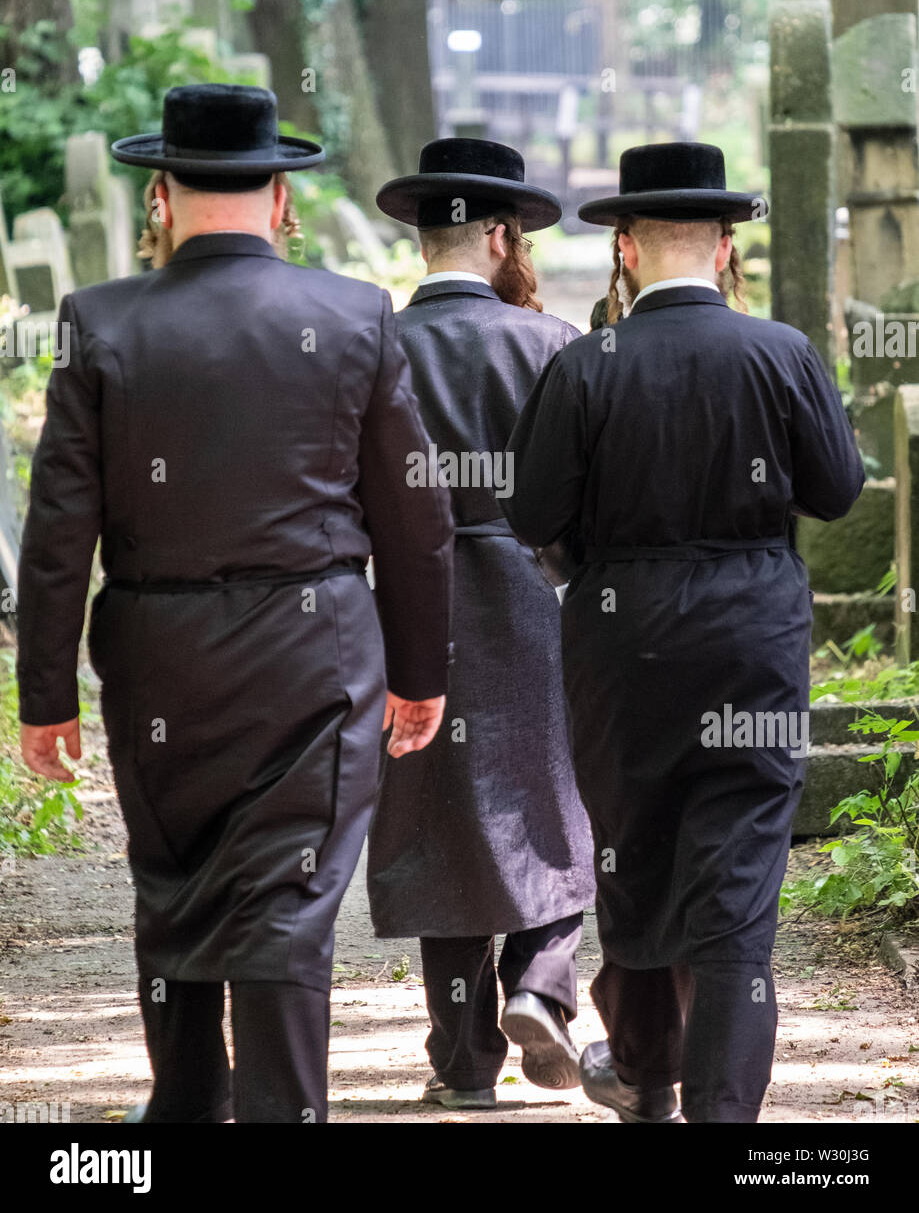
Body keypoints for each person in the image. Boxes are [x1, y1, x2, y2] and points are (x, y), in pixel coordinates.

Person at [16, 83, 454, 1125]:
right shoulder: (352, 315)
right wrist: (420, 670)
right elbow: (415, 515)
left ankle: (185, 1107)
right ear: (281, 196)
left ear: (158, 195)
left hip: (158, 649)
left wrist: (45, 695)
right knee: (289, 902)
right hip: (315, 649)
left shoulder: (101, 322)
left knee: (172, 883)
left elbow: (56, 532)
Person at [501, 142, 865, 1124]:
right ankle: (720, 1114)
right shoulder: (780, 353)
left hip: (622, 648)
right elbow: (835, 489)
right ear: (723, 242)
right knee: (738, 887)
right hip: (750, 641)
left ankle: (645, 1068)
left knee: (635, 854)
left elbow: (531, 513)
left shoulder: (585, 368)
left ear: (623, 247)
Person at [367, 139, 595, 1110]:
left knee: (438, 826)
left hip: (407, 604)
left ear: (426, 237)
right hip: (529, 593)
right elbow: (588, 495)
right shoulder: (549, 344)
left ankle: (463, 1064)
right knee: (559, 805)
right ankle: (542, 981)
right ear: (500, 235)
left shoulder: (373, 343)